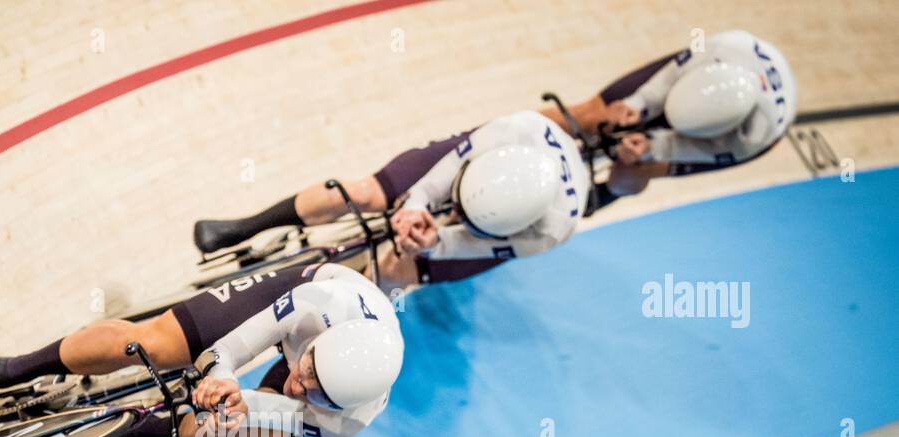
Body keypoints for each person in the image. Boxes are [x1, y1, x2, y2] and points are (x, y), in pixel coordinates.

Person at [0, 262, 404, 437]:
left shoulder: (347, 422)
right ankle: (20, 366)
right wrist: (221, 375)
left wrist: (242, 406)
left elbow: (264, 414)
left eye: (317, 393)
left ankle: (144, 432)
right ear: (320, 343)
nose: (300, 388)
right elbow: (227, 349)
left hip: (321, 378)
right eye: (306, 372)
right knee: (155, 343)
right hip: (292, 302)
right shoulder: (319, 303)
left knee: (231, 430)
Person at [193, 110, 590, 289]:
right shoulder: (514, 130)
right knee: (364, 192)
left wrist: (435, 242)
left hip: (506, 224)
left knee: (397, 272)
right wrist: (415, 204)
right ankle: (244, 226)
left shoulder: (553, 230)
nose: (452, 213)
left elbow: (473, 245)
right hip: (478, 163)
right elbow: (444, 173)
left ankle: (322, 318)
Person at [540, 29, 797, 207]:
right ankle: (513, 130)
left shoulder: (754, 136)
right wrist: (635, 104)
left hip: (738, 137)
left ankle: (592, 200)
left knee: (631, 175)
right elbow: (667, 80)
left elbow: (689, 147)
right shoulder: (725, 46)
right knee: (591, 115)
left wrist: (652, 149)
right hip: (701, 71)